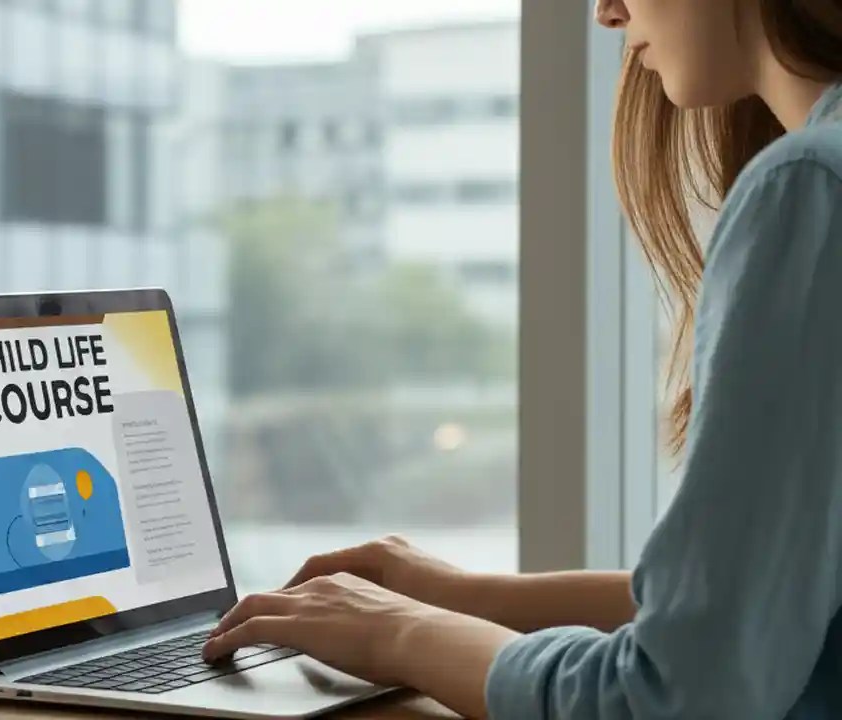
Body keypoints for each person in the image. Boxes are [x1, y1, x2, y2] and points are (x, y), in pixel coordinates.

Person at [201, 1, 842, 717]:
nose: (607, 12)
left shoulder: (811, 186)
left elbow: (676, 697)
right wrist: (471, 597)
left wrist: (397, 631)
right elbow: (772, 606)